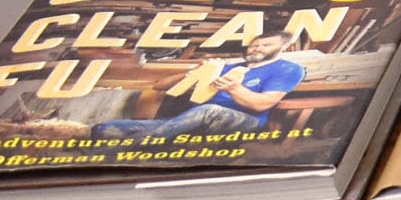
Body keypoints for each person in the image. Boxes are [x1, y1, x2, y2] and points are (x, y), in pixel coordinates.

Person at [89, 33, 307, 138]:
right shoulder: (227, 66)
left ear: (283, 47)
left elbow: (262, 104)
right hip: (188, 121)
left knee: (208, 110)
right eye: (254, 45)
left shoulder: (288, 68)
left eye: (266, 45)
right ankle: (154, 138)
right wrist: (194, 71)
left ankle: (141, 144)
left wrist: (233, 89)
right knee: (103, 129)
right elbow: (159, 86)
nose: (257, 49)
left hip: (244, 121)